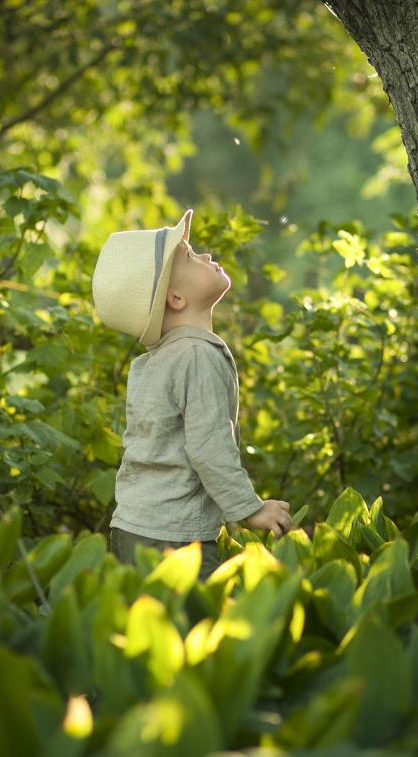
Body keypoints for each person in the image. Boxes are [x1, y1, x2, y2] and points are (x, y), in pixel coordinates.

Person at [91, 208, 293, 582]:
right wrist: (249, 508)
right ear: (176, 298)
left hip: (132, 526)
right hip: (174, 539)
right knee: (189, 629)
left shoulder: (155, 362)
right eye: (190, 256)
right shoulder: (199, 355)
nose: (206, 256)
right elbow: (208, 446)